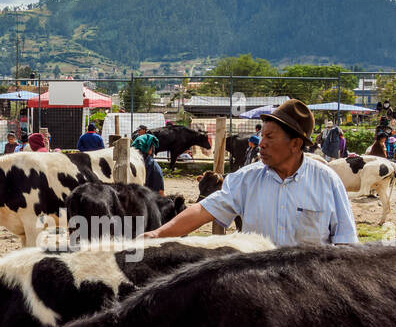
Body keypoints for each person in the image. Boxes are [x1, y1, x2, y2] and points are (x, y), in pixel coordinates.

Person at [143, 99, 357, 246]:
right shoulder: (247, 179)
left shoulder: (327, 181)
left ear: (295, 144)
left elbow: (346, 243)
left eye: (270, 137)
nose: (261, 144)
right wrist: (158, 234)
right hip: (258, 289)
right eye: (262, 136)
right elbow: (204, 210)